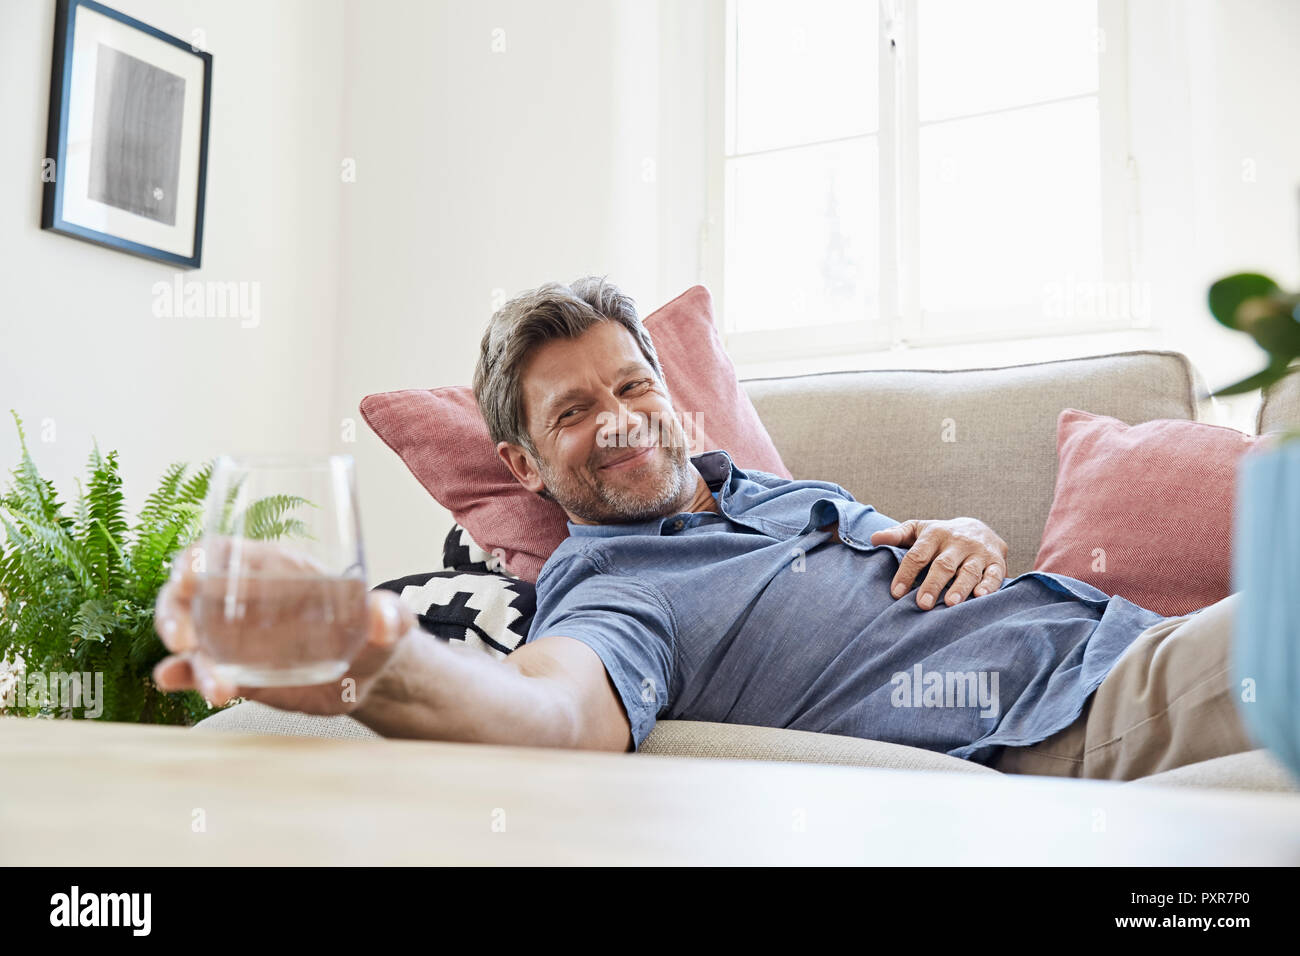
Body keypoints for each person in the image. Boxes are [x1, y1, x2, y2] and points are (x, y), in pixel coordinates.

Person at [153, 277, 1257, 780]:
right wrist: (368, 653)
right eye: (573, 411)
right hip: (1089, 708)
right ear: (525, 464)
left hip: (1127, 630)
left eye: (631, 386)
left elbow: (920, 555)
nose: (620, 420)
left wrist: (969, 525)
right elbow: (545, 713)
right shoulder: (615, 582)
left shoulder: (762, 492)